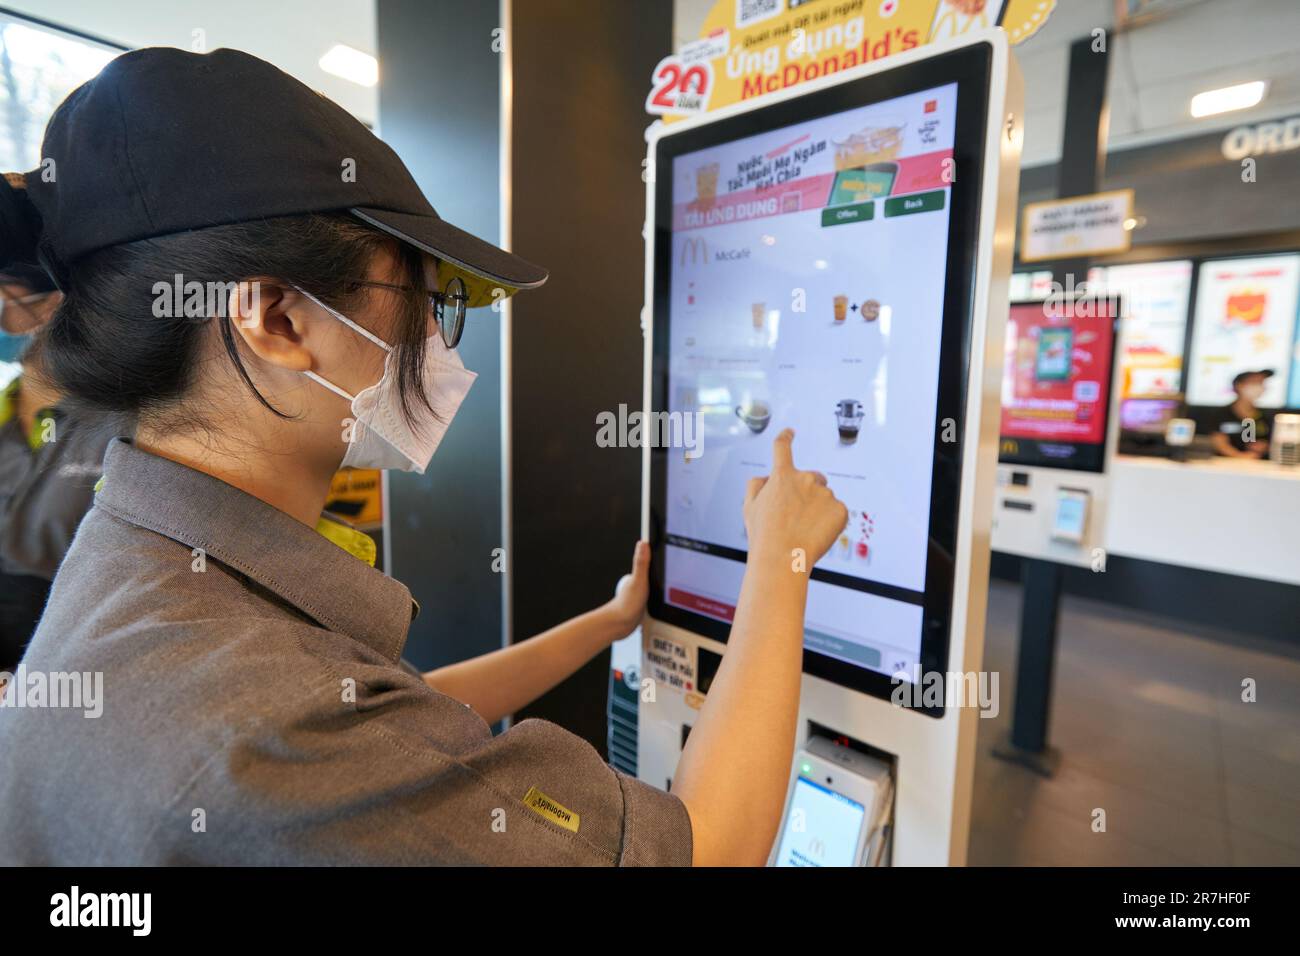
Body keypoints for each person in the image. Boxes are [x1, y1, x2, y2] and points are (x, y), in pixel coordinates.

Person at [0, 48, 846, 866]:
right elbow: (713, 848)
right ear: (278, 319)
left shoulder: (147, 573)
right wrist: (782, 557)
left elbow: (407, 726)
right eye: (429, 298)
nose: (437, 344)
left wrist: (608, 624)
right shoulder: (274, 724)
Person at [0, 265, 129, 670]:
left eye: (3, 300)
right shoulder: (5, 409)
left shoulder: (122, 425)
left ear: (53, 306)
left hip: (61, 627)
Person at [1207, 369, 1274, 459]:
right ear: (1239, 385)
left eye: (1261, 383)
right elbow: (1218, 442)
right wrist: (1240, 456)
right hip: (1227, 465)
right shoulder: (1222, 414)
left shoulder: (1265, 415)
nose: (1259, 387)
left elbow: (1273, 442)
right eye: (1254, 382)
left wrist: (1264, 446)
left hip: (1259, 466)